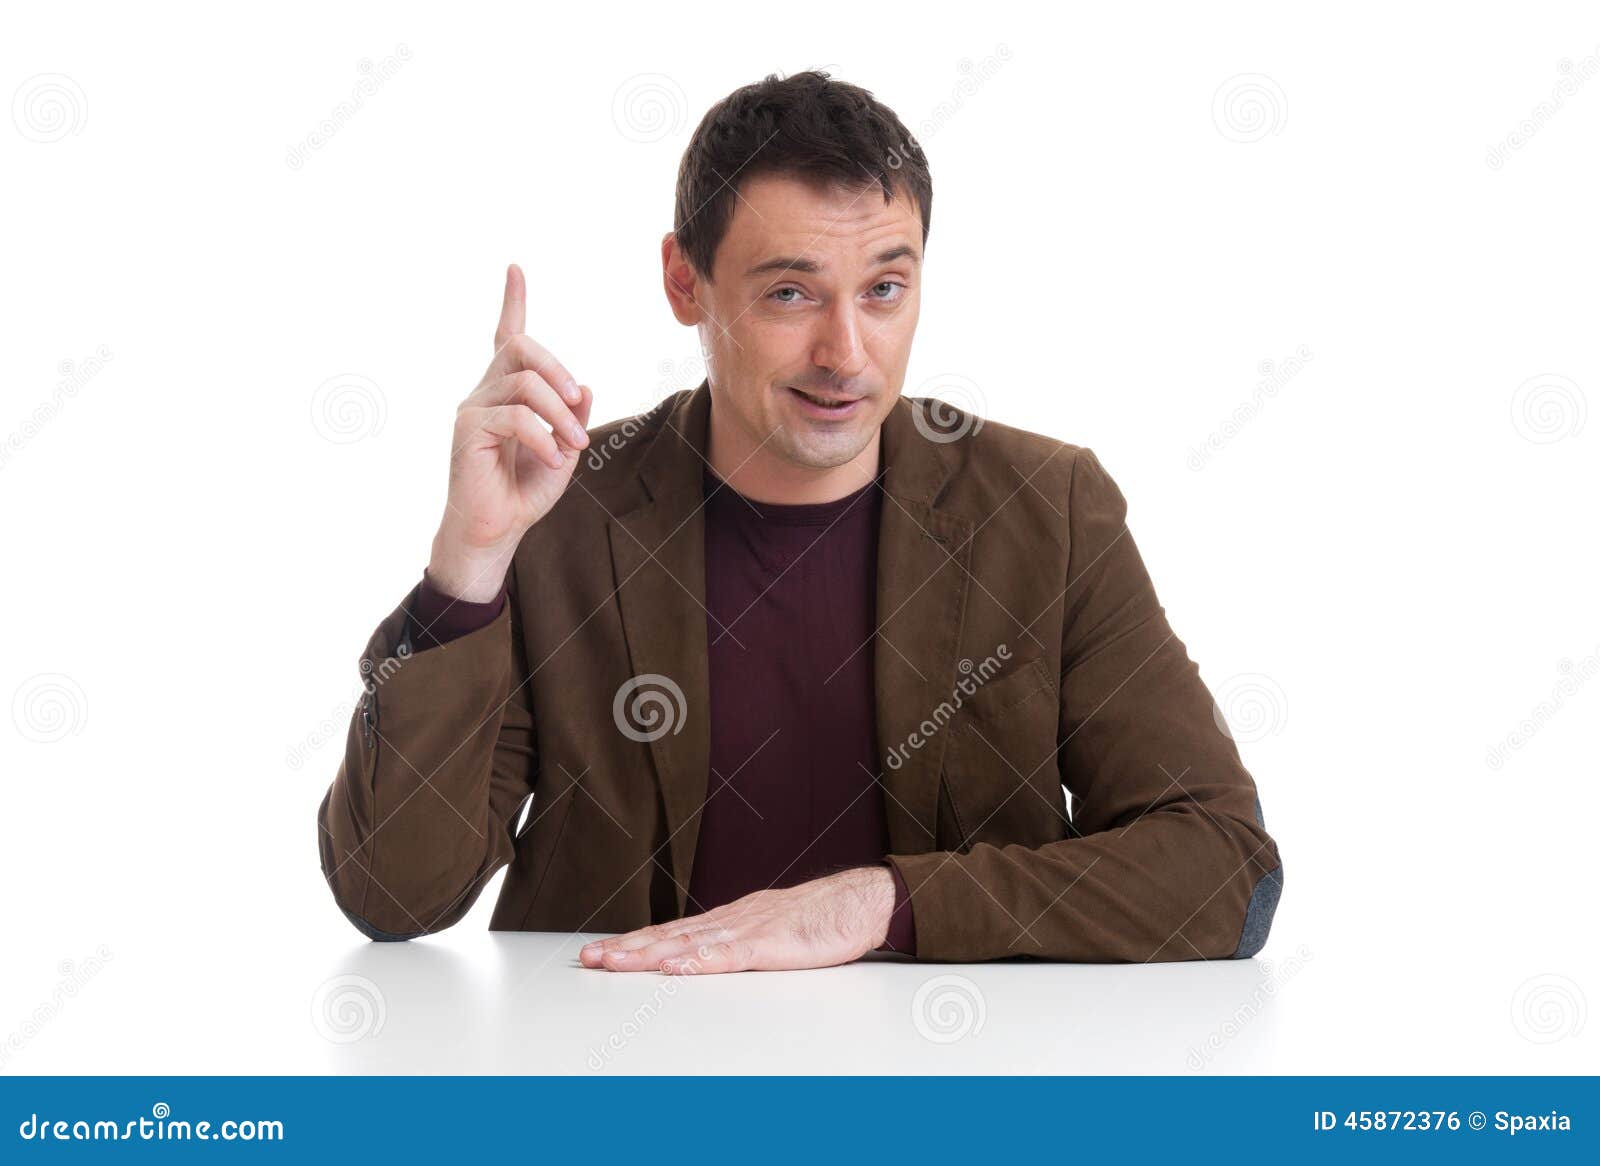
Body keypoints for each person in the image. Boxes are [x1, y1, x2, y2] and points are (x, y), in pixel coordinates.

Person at [315, 70, 1283, 973]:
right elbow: (391, 894)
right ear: (684, 282)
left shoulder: (1047, 506)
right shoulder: (566, 505)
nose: (845, 352)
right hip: (615, 1078)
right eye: (789, 292)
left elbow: (1221, 864)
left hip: (950, 1082)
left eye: (884, 290)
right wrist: (470, 561)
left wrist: (887, 902)